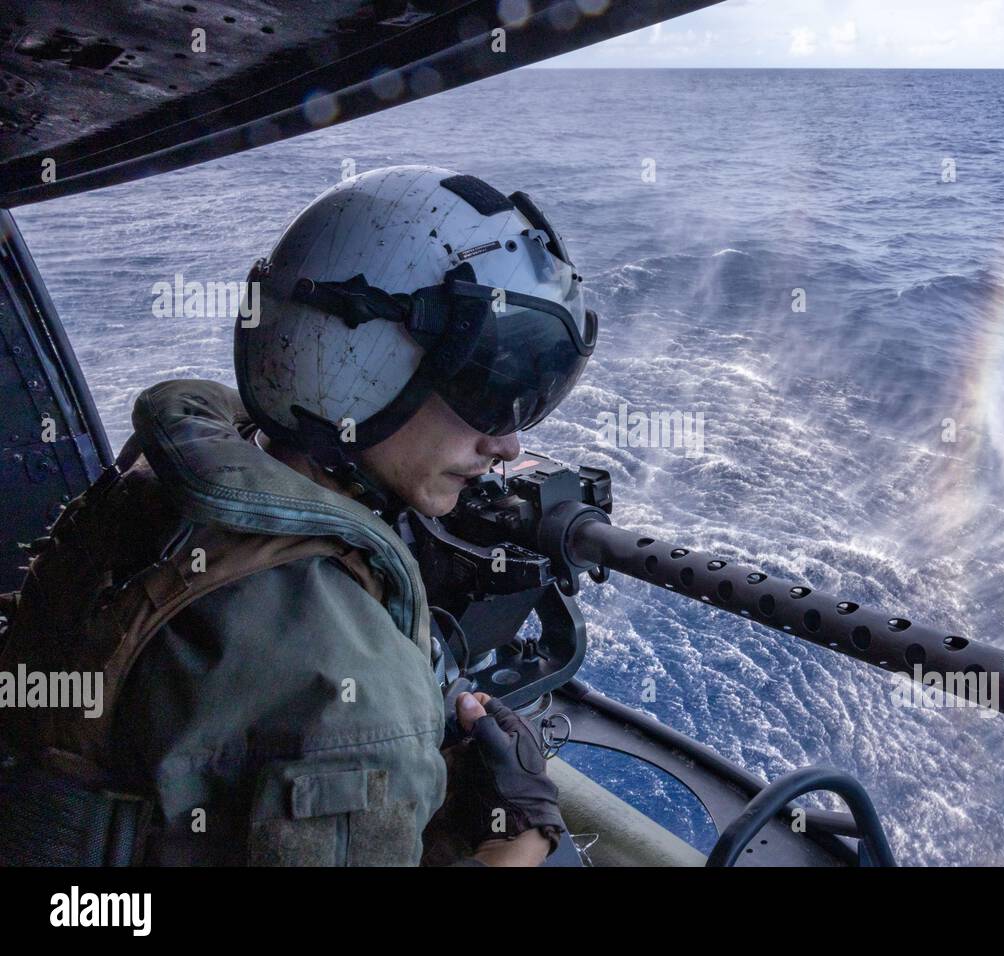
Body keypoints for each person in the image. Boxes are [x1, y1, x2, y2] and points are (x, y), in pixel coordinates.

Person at [0, 166, 597, 866]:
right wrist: (520, 834)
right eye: (494, 395)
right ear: (360, 362)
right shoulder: (357, 691)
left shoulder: (177, 477)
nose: (508, 445)